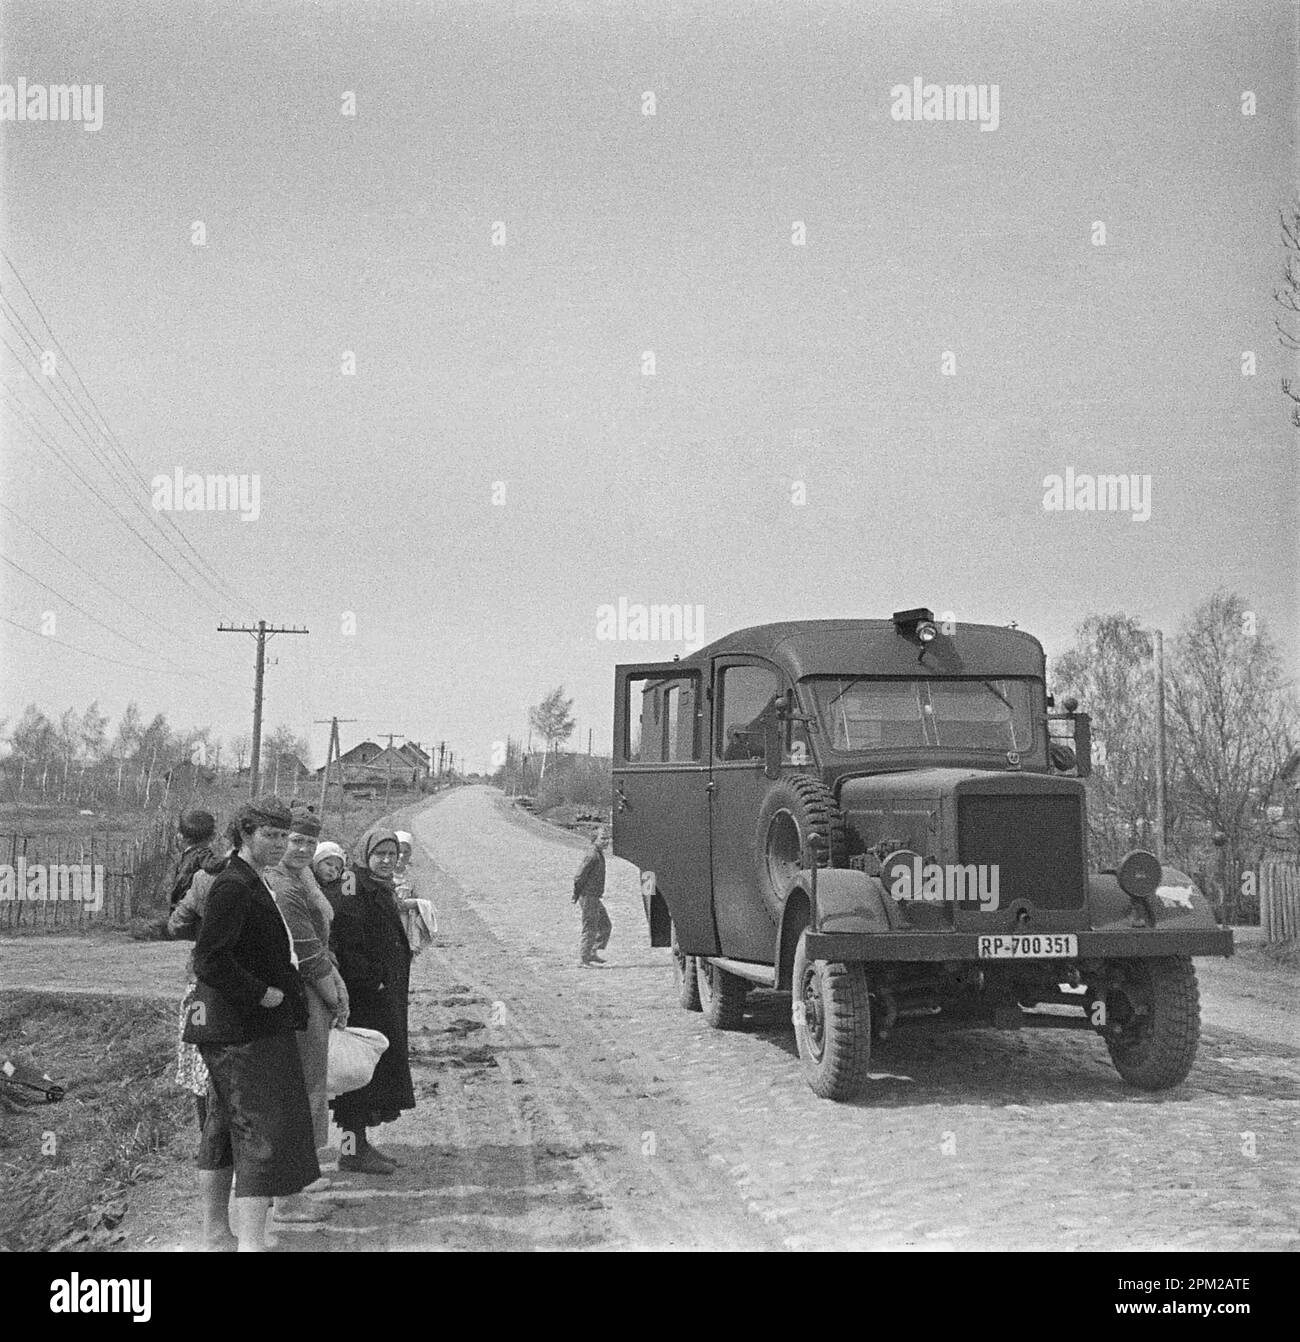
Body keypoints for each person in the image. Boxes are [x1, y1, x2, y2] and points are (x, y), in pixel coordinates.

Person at [187, 796, 320, 1251]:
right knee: (260, 1131)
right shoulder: (234, 886)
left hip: (235, 1028)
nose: (280, 844)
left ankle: (216, 1234)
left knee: (224, 1127)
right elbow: (209, 959)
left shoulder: (252, 879)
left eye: (285, 835)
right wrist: (262, 993)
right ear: (245, 834)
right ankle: (252, 1243)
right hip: (240, 1028)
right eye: (271, 835)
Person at [263, 803, 349, 1223]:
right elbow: (307, 951)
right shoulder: (282, 886)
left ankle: (302, 1174)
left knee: (310, 1080)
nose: (300, 848)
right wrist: (336, 997)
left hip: (310, 989)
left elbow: (319, 945)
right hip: (298, 993)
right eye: (294, 839)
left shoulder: (303, 877)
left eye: (309, 842)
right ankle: (287, 1192)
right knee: (297, 1086)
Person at [330, 827, 415, 1174]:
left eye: (392, 855)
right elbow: (347, 941)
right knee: (357, 1081)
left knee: (371, 1077)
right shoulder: (353, 884)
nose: (386, 860)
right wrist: (373, 981)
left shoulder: (377, 886)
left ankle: (359, 1147)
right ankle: (351, 1152)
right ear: (365, 855)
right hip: (365, 999)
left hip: (381, 997)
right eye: (379, 854)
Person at [168, 834, 233, 1132]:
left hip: (202, 981)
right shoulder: (265, 879)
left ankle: (208, 1137)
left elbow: (176, 924)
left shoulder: (205, 878)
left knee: (202, 1059)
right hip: (234, 986)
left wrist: (201, 933)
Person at [573, 826, 612, 966]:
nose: (606, 841)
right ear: (594, 839)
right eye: (603, 838)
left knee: (605, 924)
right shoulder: (592, 855)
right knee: (590, 927)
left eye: (608, 838)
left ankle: (592, 952)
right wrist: (577, 893)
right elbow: (579, 876)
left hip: (594, 896)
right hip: (588, 896)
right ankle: (583, 959)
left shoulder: (598, 853)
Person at [167, 809, 217, 909]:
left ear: (181, 836)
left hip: (188, 910)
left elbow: (212, 865)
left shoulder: (201, 854)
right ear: (212, 837)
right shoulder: (188, 854)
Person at [311, 841, 348, 913]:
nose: (332, 870)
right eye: (328, 864)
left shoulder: (335, 892)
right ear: (316, 861)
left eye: (337, 868)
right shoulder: (303, 877)